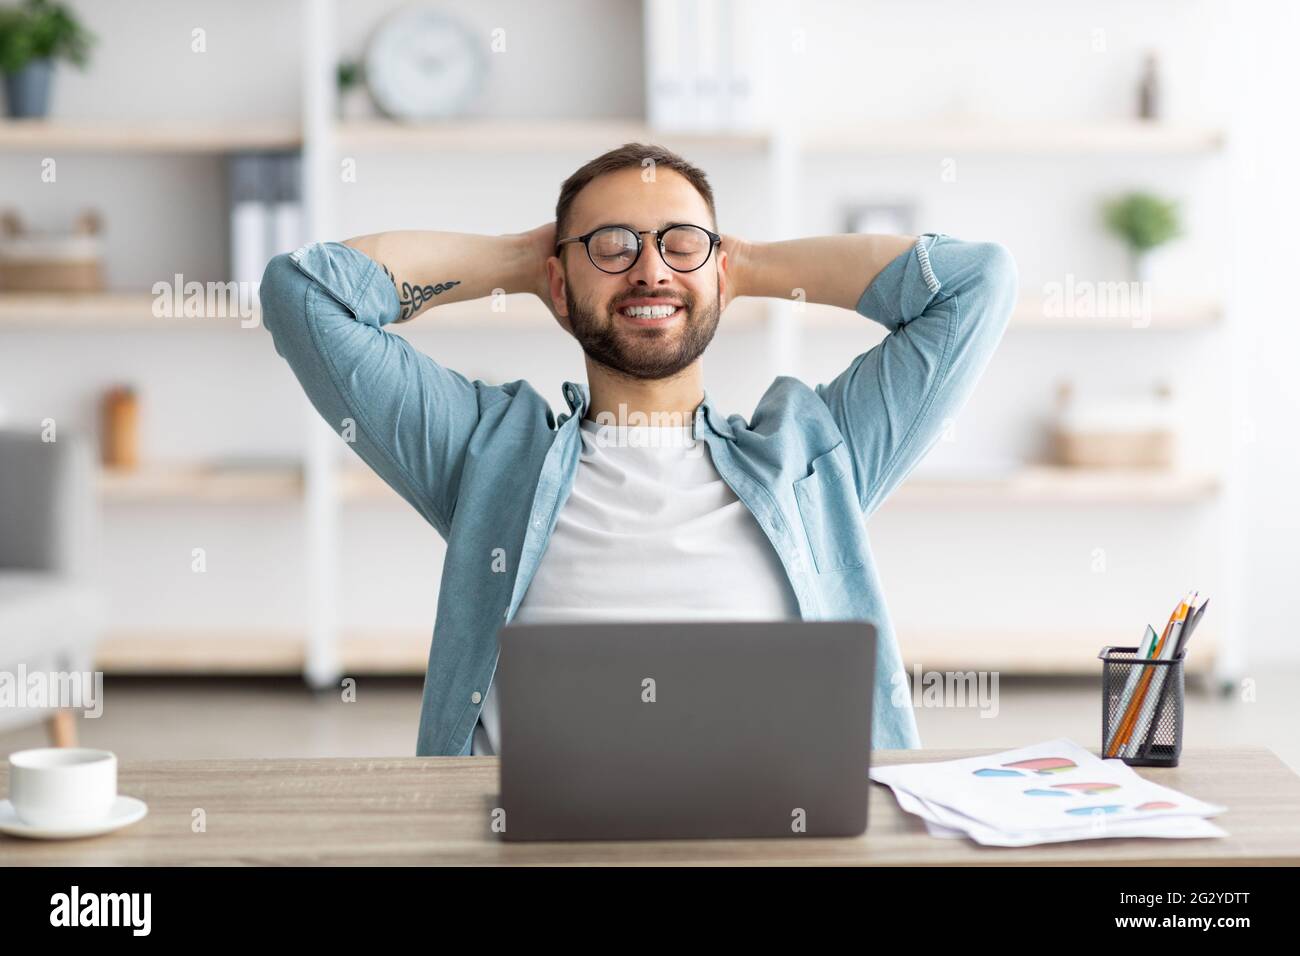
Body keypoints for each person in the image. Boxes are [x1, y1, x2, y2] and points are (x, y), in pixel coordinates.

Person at [259, 142, 1018, 756]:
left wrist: (739, 268)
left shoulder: (814, 456)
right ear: (558, 285)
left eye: (679, 244)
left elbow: (976, 283)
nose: (650, 267)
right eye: (613, 245)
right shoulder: (484, 454)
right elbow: (305, 294)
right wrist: (528, 259)